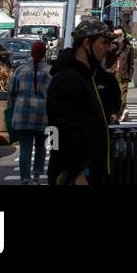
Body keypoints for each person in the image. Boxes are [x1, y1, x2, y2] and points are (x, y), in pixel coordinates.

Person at [46, 20, 115, 185]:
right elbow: (59, 130)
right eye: (104, 43)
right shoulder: (68, 79)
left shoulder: (87, 76)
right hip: (76, 176)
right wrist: (77, 173)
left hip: (91, 172)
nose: (108, 48)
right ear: (86, 43)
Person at [6, 40, 51, 184]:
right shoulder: (51, 72)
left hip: (22, 116)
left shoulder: (20, 70)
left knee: (25, 149)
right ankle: (37, 177)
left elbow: (12, 91)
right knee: (40, 148)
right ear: (45, 53)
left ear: (31, 52)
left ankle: (25, 180)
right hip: (43, 117)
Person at [107, 26, 134, 115]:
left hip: (123, 73)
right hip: (112, 73)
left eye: (120, 34)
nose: (118, 36)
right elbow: (105, 59)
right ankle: (115, 112)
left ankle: (119, 112)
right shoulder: (110, 46)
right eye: (116, 35)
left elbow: (131, 63)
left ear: (124, 34)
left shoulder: (128, 46)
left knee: (123, 93)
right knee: (112, 93)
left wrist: (129, 76)